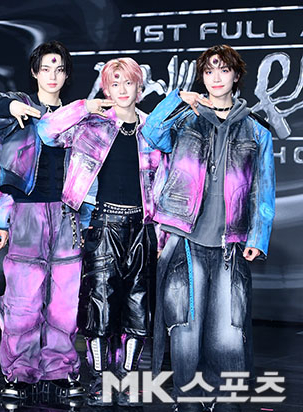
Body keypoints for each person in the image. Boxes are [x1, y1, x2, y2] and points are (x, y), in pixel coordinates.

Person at [142, 44, 275, 412]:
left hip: (230, 241)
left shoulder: (256, 130)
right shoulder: (186, 119)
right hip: (185, 237)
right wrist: (176, 99)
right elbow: (151, 133)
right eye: (209, 70)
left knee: (228, 331)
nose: (216, 77)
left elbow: (264, 189)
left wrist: (258, 236)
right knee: (184, 327)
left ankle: (225, 400)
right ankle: (188, 399)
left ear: (236, 75)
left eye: (223, 69)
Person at [36, 57, 163, 405]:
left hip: (142, 227)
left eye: (128, 83)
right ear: (106, 89)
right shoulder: (92, 125)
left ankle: (128, 380)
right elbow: (46, 132)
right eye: (115, 84)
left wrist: (162, 234)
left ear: (139, 87)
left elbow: (164, 181)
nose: (122, 90)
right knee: (99, 306)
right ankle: (100, 380)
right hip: (102, 223)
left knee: (138, 307)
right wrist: (83, 106)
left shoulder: (152, 129)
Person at [0, 41, 90, 401]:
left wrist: (85, 219)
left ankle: (60, 367)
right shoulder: (18, 108)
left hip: (67, 215)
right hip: (27, 214)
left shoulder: (77, 115)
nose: (52, 76)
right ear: (35, 73)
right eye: (46, 69)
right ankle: (20, 370)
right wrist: (11, 107)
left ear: (67, 76)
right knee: (22, 300)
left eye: (59, 69)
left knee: (64, 302)